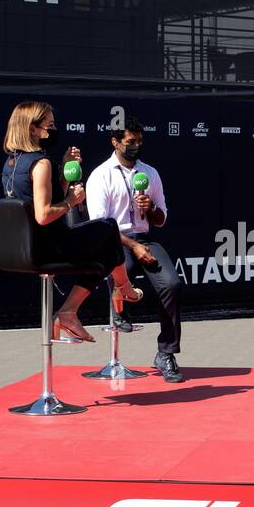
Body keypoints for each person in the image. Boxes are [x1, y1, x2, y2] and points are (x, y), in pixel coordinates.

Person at [0, 101, 141, 343]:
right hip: (48, 247)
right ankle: (121, 289)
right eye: (50, 125)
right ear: (33, 128)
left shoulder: (12, 163)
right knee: (108, 227)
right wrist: (71, 201)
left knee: (104, 259)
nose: (54, 129)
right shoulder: (41, 163)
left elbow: (39, 199)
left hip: (21, 249)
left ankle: (73, 310)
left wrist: (64, 171)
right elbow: (43, 214)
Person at [86, 116, 185, 383]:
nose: (136, 146)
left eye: (140, 141)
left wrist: (149, 209)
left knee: (171, 284)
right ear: (115, 142)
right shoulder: (100, 175)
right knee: (124, 267)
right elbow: (100, 225)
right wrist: (133, 247)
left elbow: (162, 218)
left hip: (144, 238)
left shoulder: (150, 173)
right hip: (113, 240)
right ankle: (120, 310)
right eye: (130, 142)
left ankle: (166, 354)